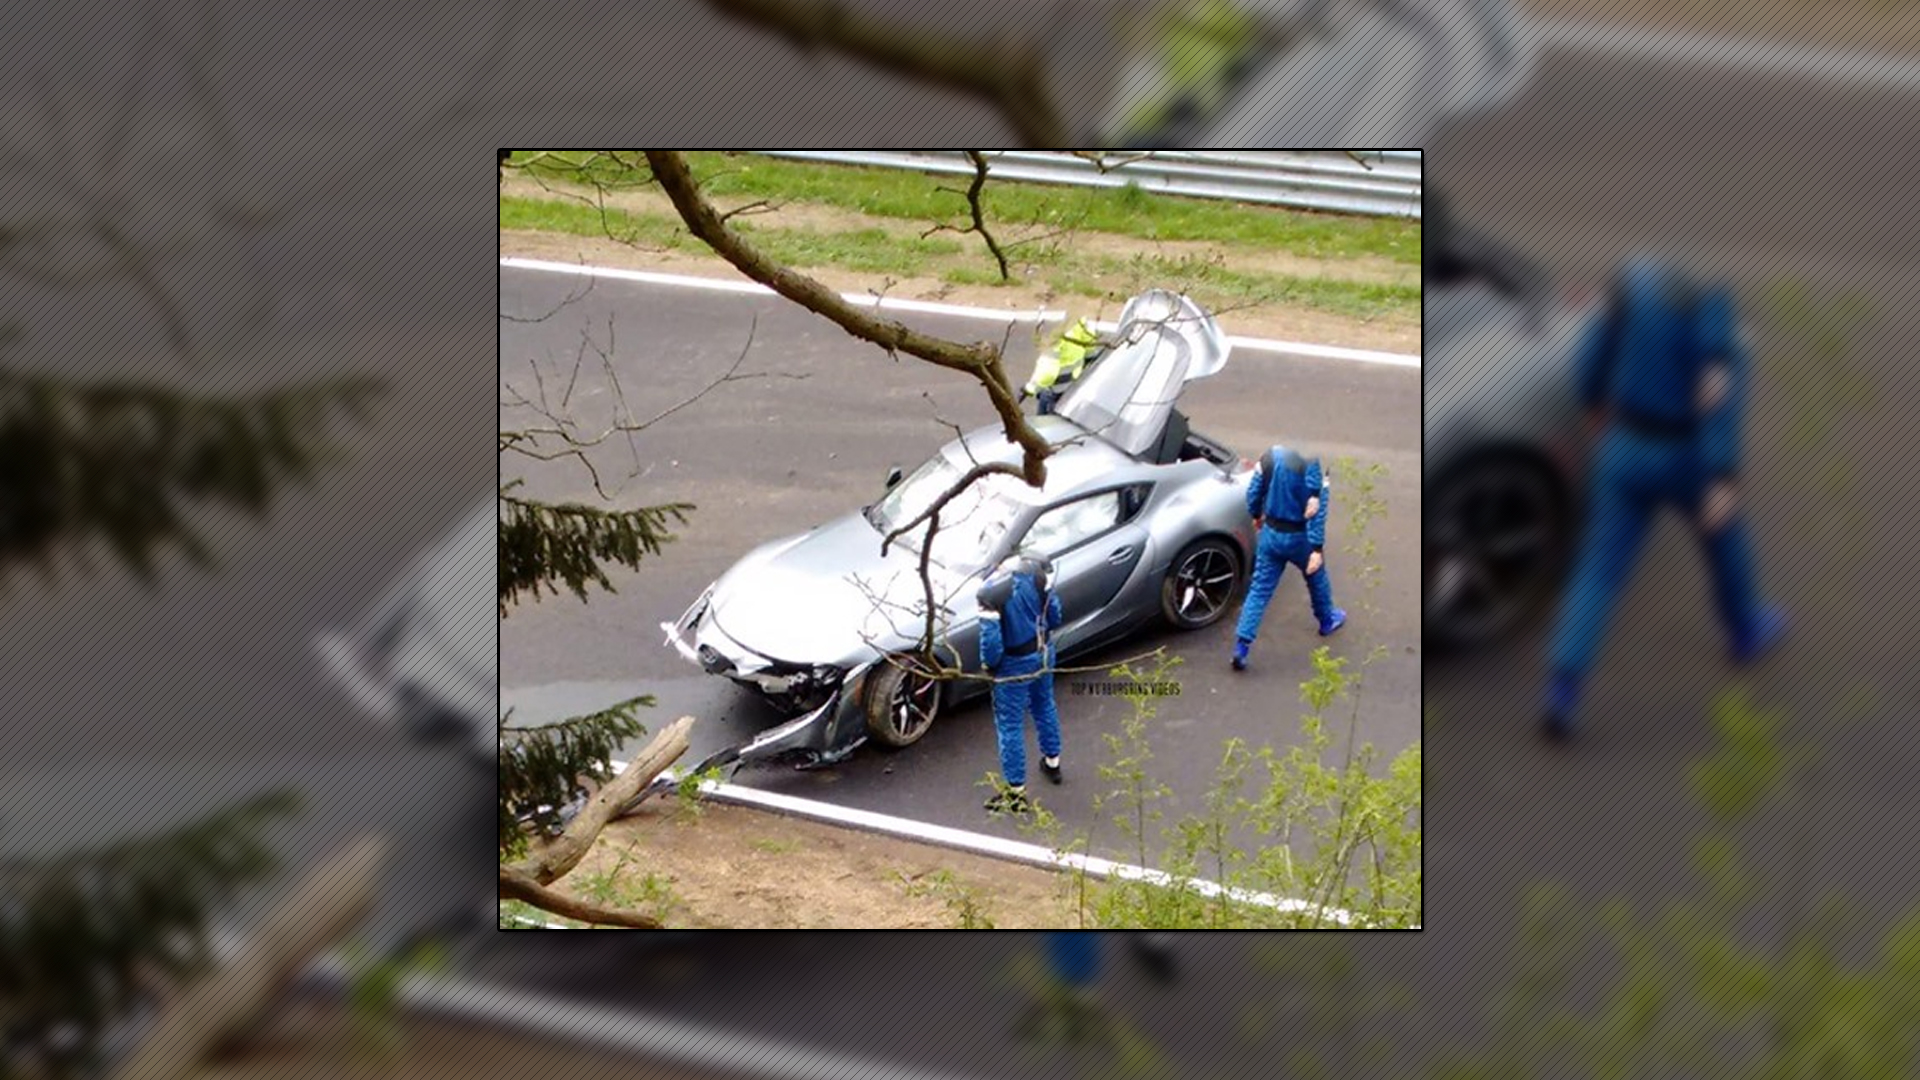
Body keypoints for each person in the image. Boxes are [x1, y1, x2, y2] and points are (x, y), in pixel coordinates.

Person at [1542, 259, 1787, 740]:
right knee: (1726, 544)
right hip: (1687, 457)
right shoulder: (1716, 312)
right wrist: (1721, 477)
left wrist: (1594, 408)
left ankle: (1563, 689)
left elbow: (1592, 357)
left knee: (1598, 570)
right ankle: (1744, 632)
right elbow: (1720, 402)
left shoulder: (1631, 286)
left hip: (1625, 449)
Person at [1231, 444, 1346, 671]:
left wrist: (1256, 515)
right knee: (1316, 578)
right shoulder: (1315, 464)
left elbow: (1253, 493)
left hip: (1272, 533)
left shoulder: (1269, 457)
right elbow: (1318, 512)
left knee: (1259, 590)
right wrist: (1316, 549)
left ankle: (1241, 646)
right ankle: (1326, 620)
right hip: (1300, 537)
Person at [979, 554, 1065, 813]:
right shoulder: (1036, 574)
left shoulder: (989, 594)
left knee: (1010, 725)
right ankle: (1053, 762)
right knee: (1044, 706)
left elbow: (991, 644)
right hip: (1044, 653)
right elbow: (1056, 615)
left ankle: (1015, 793)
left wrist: (989, 667)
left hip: (1014, 665)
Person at [1019, 317, 1103, 416]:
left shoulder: (1054, 334)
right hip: (1072, 385)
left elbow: (1048, 372)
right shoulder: (1079, 322)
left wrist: (1030, 388)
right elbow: (1090, 347)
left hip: (1054, 389)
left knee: (1043, 426)